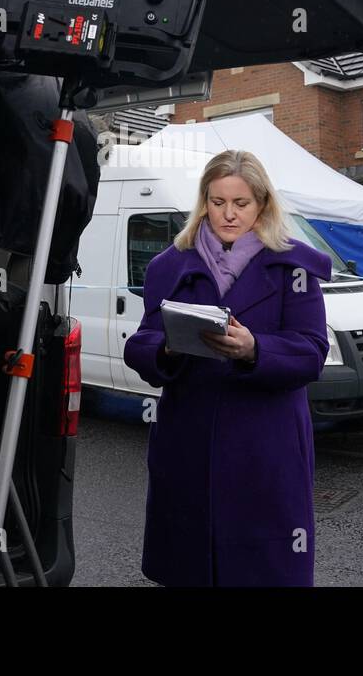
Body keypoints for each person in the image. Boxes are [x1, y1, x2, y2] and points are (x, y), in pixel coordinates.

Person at [123, 149, 331, 587]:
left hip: (265, 447)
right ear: (204, 202)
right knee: (190, 568)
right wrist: (170, 348)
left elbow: (312, 352)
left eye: (241, 204)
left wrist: (254, 348)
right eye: (218, 203)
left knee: (263, 571)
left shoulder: (295, 267)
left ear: (262, 204)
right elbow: (140, 343)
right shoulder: (168, 265)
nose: (229, 215)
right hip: (188, 444)